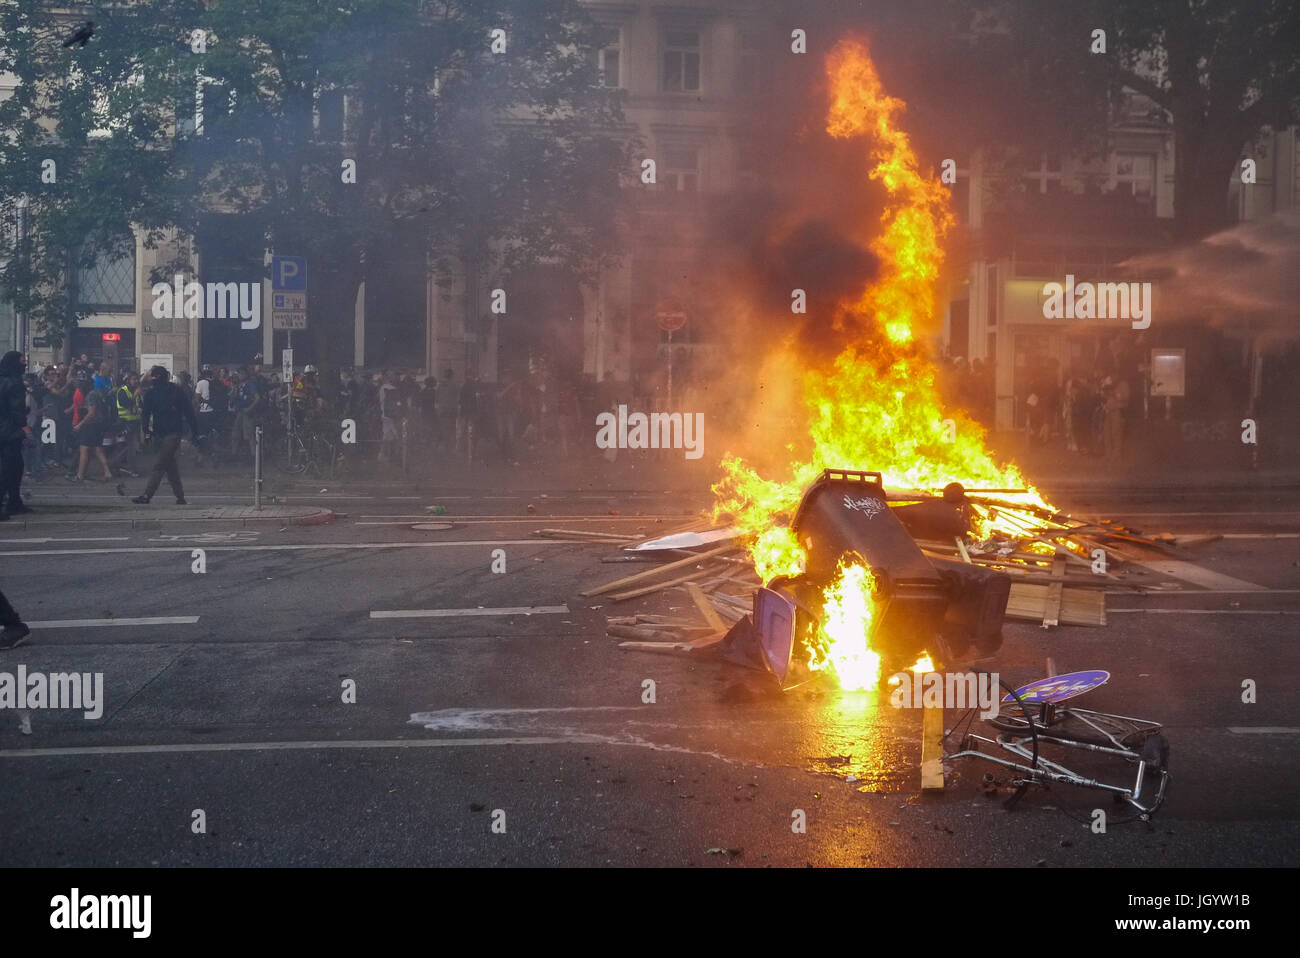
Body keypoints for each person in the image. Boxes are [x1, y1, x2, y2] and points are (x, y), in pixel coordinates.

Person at [132, 365, 197, 505]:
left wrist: (146, 431)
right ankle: (180, 497)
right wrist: (194, 431)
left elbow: (145, 414)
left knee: (160, 464)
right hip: (166, 433)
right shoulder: (173, 391)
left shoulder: (158, 392)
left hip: (169, 434)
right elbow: (189, 411)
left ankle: (147, 495)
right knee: (170, 465)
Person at [0, 351, 30, 518]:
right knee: (11, 468)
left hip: (3, 427)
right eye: (22, 362)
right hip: (10, 431)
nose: (24, 365)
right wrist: (25, 426)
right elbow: (17, 410)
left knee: (13, 466)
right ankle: (11, 502)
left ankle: (14, 501)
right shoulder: (14, 382)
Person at [69, 370, 113, 482]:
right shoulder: (98, 394)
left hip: (91, 425)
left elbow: (91, 413)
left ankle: (80, 475)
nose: (78, 385)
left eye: (80, 383)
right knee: (98, 449)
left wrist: (80, 425)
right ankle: (107, 472)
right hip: (99, 424)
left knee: (84, 449)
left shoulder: (90, 395)